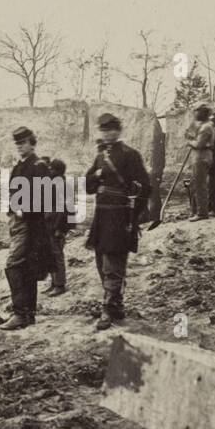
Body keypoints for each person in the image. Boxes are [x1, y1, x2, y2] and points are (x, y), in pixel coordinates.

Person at [85, 112, 151, 331]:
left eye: (111, 129)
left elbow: (145, 188)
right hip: (102, 215)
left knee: (113, 264)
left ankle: (107, 308)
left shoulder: (130, 155)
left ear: (119, 130)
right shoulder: (100, 156)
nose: (107, 134)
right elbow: (88, 186)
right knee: (101, 262)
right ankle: (116, 303)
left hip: (119, 216)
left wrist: (134, 216)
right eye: (103, 130)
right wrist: (97, 174)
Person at [0, 126, 54, 331]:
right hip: (19, 224)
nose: (20, 147)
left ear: (32, 143)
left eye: (24, 143)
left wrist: (23, 212)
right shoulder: (20, 166)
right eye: (17, 144)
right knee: (26, 267)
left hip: (31, 225)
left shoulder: (38, 166)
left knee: (13, 264)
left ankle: (21, 313)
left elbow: (47, 197)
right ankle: (27, 314)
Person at [44, 157, 70, 296]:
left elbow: (63, 209)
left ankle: (60, 285)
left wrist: (60, 229)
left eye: (51, 169)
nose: (49, 171)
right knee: (51, 255)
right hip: (50, 225)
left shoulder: (61, 185)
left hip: (56, 226)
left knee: (57, 256)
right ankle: (54, 283)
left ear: (56, 170)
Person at [185, 103, 214, 220]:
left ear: (203, 113)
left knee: (200, 185)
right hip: (199, 157)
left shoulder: (206, 127)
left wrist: (189, 142)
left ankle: (202, 213)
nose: (195, 113)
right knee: (195, 184)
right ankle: (197, 211)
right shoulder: (203, 126)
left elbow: (199, 144)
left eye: (197, 111)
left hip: (202, 158)